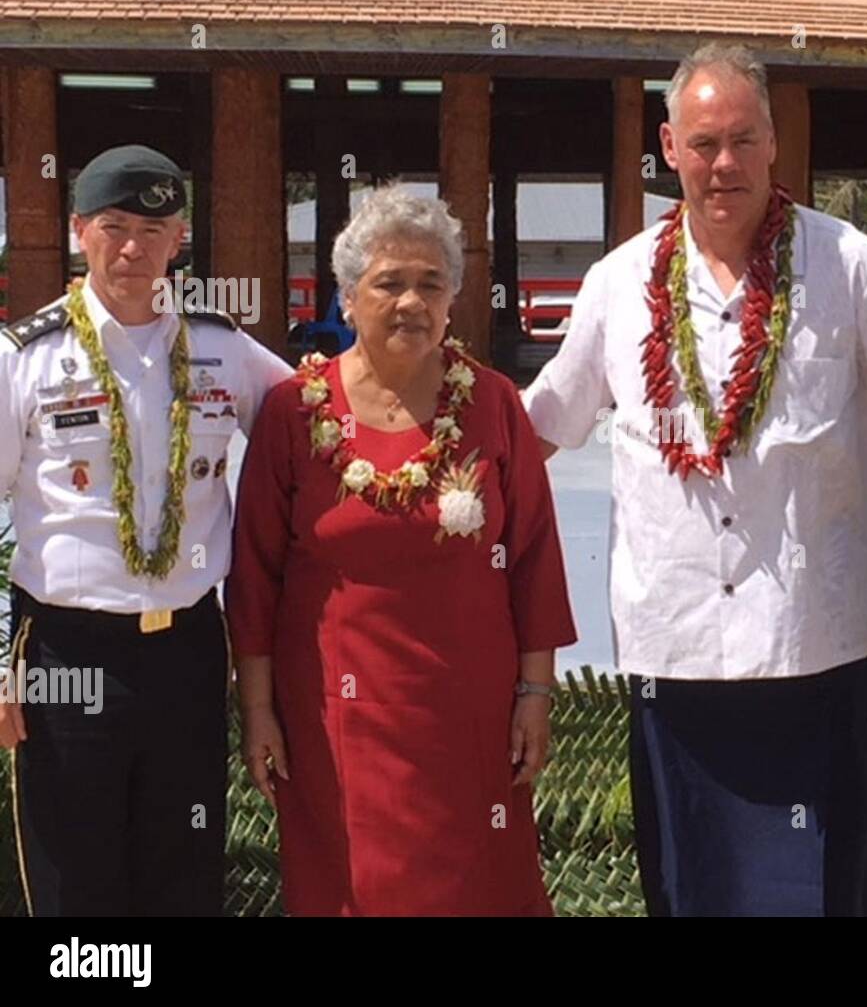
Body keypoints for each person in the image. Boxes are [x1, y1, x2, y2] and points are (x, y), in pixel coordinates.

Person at [523, 43, 867, 916]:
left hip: (817, 654)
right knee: (693, 896)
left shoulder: (852, 268)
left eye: (743, 140)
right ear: (669, 146)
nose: (724, 164)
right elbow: (535, 430)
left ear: (772, 145)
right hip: (676, 664)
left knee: (836, 896)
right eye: (705, 142)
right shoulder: (616, 283)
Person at [225, 185, 577, 916]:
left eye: (430, 283)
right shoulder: (294, 412)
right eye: (389, 282)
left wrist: (535, 694)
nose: (411, 301)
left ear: (452, 300)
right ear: (348, 298)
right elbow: (255, 575)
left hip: (470, 720)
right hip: (334, 721)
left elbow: (536, 555)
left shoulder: (493, 403)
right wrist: (258, 709)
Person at [0, 144, 291, 915]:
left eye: (153, 228)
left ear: (179, 238)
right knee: (74, 876)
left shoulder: (224, 348)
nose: (133, 247)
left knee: (184, 869)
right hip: (68, 650)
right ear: (77, 231)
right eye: (113, 226)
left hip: (187, 650)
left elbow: (313, 426)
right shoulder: (25, 358)